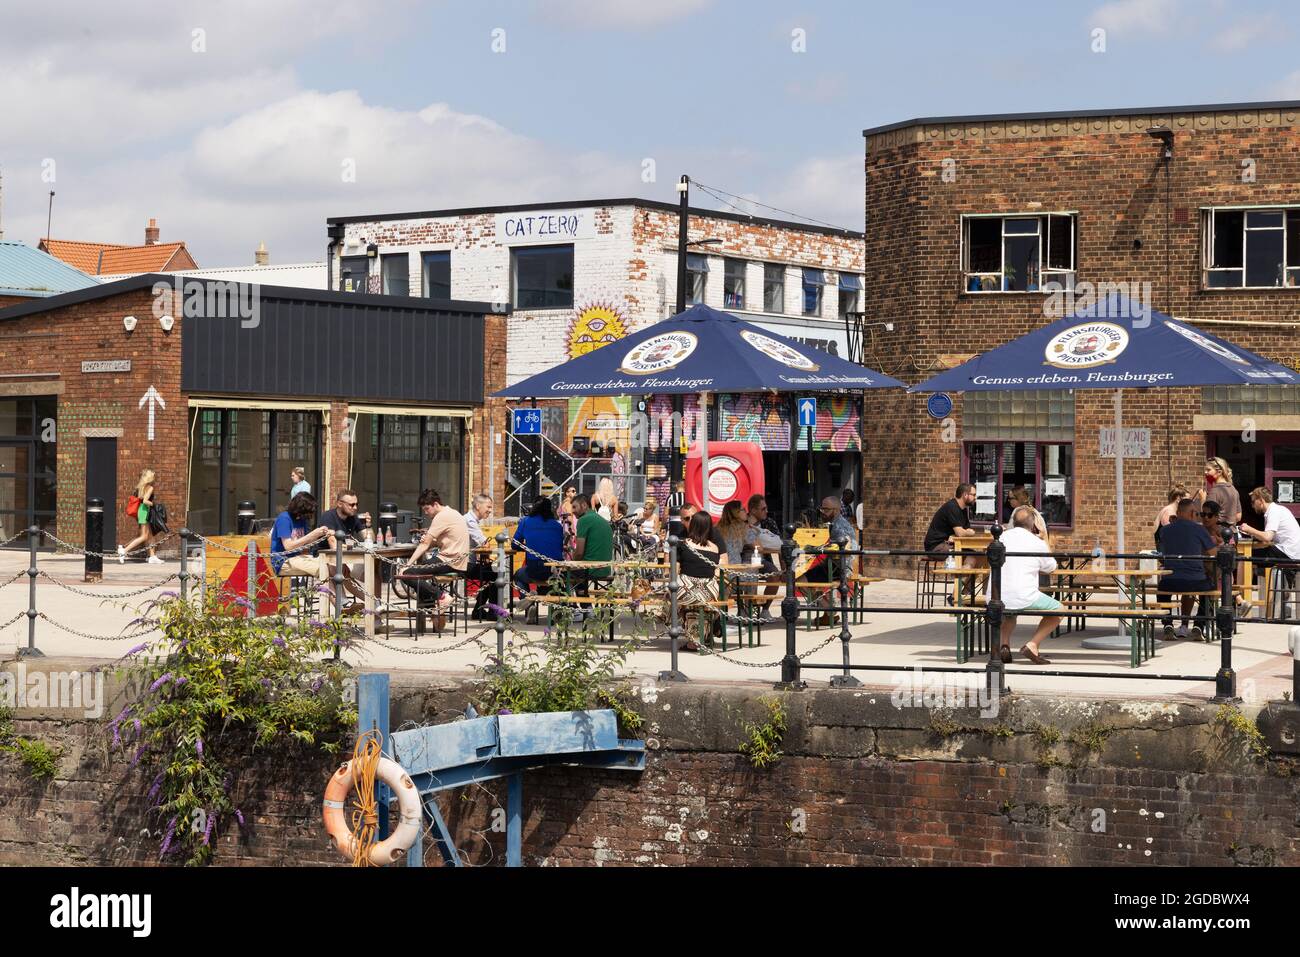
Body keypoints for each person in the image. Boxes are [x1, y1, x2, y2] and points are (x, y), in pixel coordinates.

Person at [271, 492, 367, 611]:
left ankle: (353, 603)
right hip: (283, 561)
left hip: (301, 557)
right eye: (309, 511)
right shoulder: (284, 518)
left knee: (334, 566)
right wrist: (313, 534)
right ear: (301, 508)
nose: (311, 515)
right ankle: (341, 605)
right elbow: (288, 546)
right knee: (324, 569)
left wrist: (323, 534)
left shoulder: (302, 520)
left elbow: (305, 545)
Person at [998, 506, 1063, 664]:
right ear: (1033, 524)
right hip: (1024, 596)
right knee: (1060, 610)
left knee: (1010, 614)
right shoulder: (1036, 542)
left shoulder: (1001, 538)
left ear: (1013, 522)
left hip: (997, 596)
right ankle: (1032, 645)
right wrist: (1044, 538)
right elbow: (1051, 567)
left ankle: (1004, 645)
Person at [1156, 498, 1218, 641]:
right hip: (1195, 581)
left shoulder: (1164, 531)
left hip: (1171, 580)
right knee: (1210, 589)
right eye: (1196, 514)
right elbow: (1214, 554)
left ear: (1178, 513)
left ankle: (1167, 624)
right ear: (1191, 513)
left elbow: (1162, 556)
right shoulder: (1199, 529)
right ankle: (1199, 625)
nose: (1197, 516)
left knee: (1162, 588)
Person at [403, 489, 471, 613]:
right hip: (457, 560)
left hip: (449, 561)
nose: (426, 512)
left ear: (435, 504)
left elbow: (424, 545)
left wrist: (408, 564)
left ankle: (441, 597)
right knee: (419, 574)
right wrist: (430, 540)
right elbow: (443, 540)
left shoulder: (441, 516)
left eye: (427, 508)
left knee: (407, 574)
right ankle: (431, 612)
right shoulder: (452, 512)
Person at [511, 497, 565, 623]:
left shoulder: (526, 521)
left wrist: (529, 548)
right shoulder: (557, 525)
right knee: (555, 580)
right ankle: (556, 611)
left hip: (535, 568)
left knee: (518, 576)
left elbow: (514, 544)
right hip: (555, 570)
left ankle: (529, 602)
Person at [676, 511, 724, 652]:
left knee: (672, 597)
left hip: (686, 590)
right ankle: (702, 637)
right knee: (699, 604)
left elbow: (675, 570)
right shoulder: (715, 548)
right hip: (708, 591)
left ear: (693, 525)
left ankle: (693, 640)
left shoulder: (683, 544)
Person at [1240, 487, 1300, 596]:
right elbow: (1269, 540)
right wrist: (1253, 538)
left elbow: (1267, 537)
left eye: (1253, 502)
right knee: (1251, 554)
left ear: (1261, 500)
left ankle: (1241, 597)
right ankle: (1281, 589)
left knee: (1243, 557)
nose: (1252, 505)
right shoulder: (1277, 510)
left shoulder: (1273, 511)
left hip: (1288, 553)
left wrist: (1249, 529)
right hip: (1290, 552)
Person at [317, 488, 372, 600]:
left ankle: (376, 604)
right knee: (340, 570)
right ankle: (348, 603)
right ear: (340, 504)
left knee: (373, 571)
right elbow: (333, 545)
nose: (355, 508)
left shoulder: (353, 517)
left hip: (346, 557)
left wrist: (368, 525)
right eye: (351, 505)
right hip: (326, 557)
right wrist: (345, 560)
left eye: (357, 504)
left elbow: (369, 539)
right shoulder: (328, 517)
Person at [745, 494, 783, 619]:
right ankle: (745, 610)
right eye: (763, 509)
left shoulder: (768, 522)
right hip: (744, 560)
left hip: (762, 559)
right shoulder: (744, 524)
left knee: (775, 574)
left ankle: (765, 609)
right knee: (751, 574)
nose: (766, 511)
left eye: (766, 508)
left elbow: (778, 542)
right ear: (753, 510)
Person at [571, 493, 613, 596]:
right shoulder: (603, 521)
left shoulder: (583, 520)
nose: (572, 511)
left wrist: (570, 562)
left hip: (590, 570)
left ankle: (578, 607)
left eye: (575, 507)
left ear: (584, 505)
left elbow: (579, 553)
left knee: (561, 575)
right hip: (605, 569)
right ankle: (585, 606)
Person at [120, 469, 163, 564]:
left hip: (141, 510)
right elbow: (145, 501)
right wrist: (154, 504)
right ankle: (124, 550)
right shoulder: (150, 487)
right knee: (144, 536)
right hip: (145, 511)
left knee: (150, 535)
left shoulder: (141, 487)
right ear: (150, 477)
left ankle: (152, 556)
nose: (154, 478)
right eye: (153, 476)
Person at [923, 484, 978, 555]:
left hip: (948, 544)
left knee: (974, 556)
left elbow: (966, 529)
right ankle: (963, 566)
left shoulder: (963, 509)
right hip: (936, 547)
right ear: (965, 495)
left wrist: (960, 533)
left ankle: (966, 566)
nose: (975, 497)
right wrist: (967, 533)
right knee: (968, 555)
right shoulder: (952, 507)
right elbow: (960, 533)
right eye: (973, 495)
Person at [1194, 458, 1241, 530]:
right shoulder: (1234, 490)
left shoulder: (1215, 491)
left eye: (1208, 470)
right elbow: (1238, 516)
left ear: (1219, 472)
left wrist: (1202, 499)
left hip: (1217, 534)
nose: (1205, 472)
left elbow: (1207, 518)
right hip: (1232, 533)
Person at [716, 500, 749, 565]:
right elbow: (758, 546)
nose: (746, 512)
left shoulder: (717, 527)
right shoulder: (742, 527)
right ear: (736, 513)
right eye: (744, 509)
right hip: (735, 567)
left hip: (720, 566)